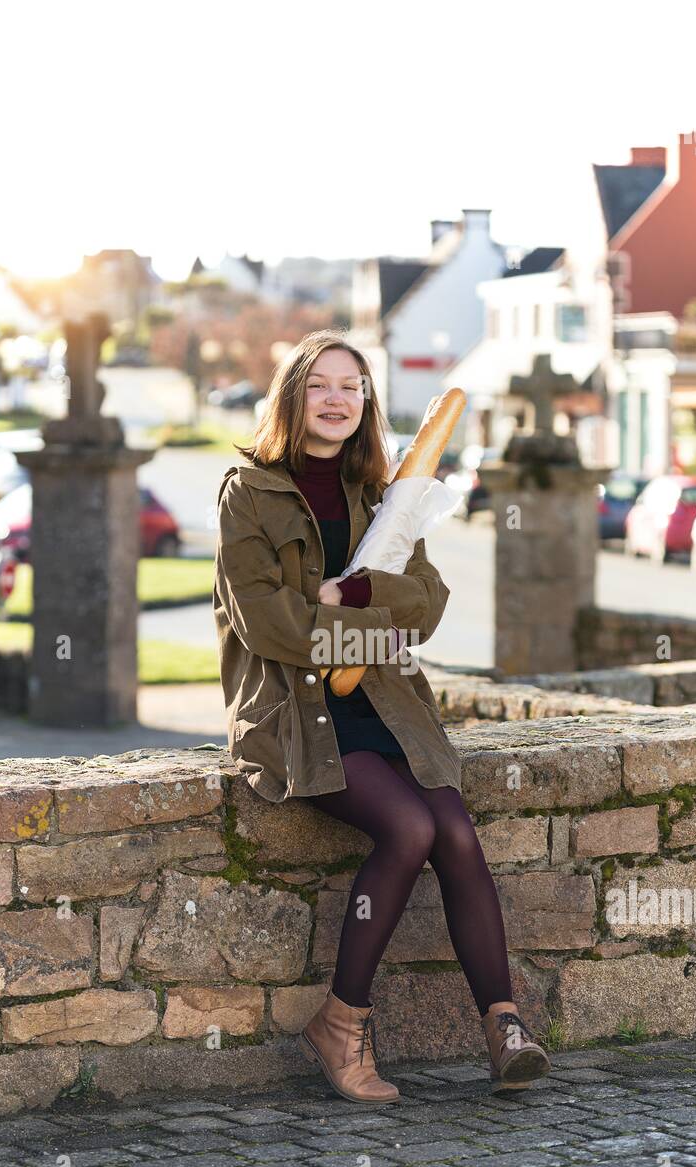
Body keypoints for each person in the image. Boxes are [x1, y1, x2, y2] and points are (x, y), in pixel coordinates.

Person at [213, 329, 550, 1105]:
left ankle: (505, 1027)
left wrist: (349, 594)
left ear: (366, 404)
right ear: (292, 397)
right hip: (296, 715)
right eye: (320, 385)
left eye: (352, 387)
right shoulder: (249, 492)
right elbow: (268, 623)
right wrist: (362, 618)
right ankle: (340, 1024)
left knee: (457, 831)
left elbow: (425, 606)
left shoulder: (388, 492)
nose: (337, 399)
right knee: (410, 829)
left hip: (390, 707)